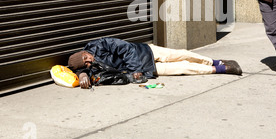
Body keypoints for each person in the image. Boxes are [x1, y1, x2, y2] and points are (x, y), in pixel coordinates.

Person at [67, 37, 242, 89]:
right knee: (183, 68)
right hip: (150, 69)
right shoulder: (89, 67)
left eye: (86, 57)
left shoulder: (98, 45)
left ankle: (215, 60)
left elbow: (125, 48)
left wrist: (135, 70)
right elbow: (85, 74)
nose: (89, 60)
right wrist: (82, 74)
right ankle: (222, 68)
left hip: (146, 52)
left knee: (182, 55)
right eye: (86, 64)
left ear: (84, 52)